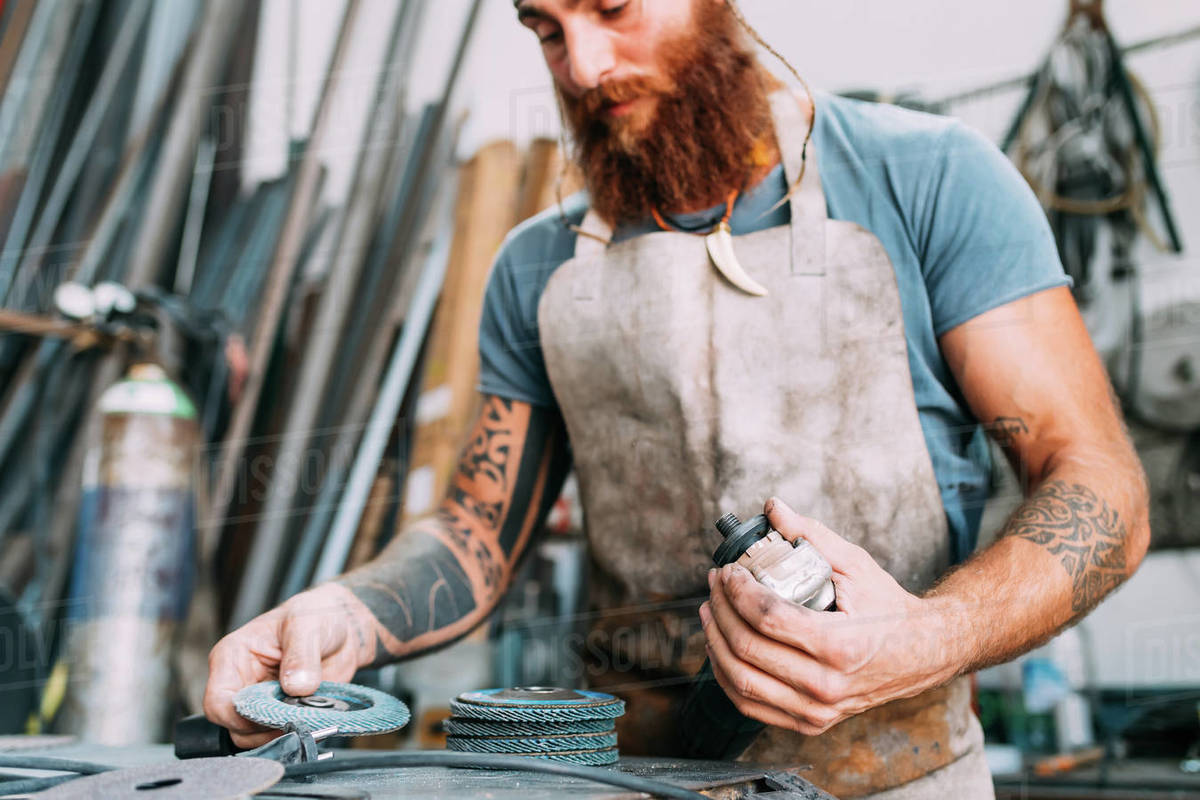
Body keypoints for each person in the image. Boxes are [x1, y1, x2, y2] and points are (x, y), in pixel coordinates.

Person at [204, 1, 1150, 796]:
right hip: (645, 780)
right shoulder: (538, 268)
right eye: (546, 29)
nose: (583, 66)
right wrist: (340, 614)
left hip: (903, 781)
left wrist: (934, 636)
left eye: (612, 7)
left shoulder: (931, 181)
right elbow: (473, 535)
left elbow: (1099, 482)